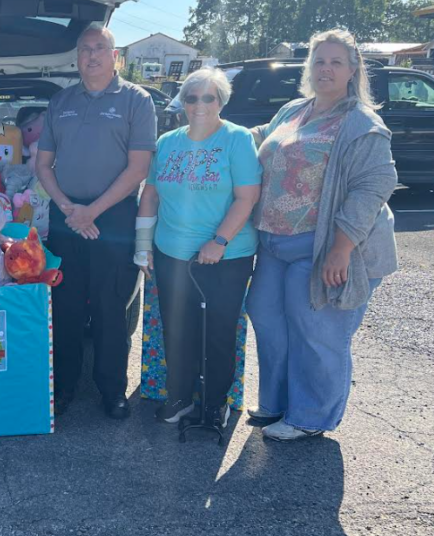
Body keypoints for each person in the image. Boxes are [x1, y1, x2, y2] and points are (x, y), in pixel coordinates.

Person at [246, 29, 398, 441]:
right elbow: (261, 137)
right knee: (266, 317)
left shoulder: (361, 123)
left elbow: (374, 186)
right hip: (274, 243)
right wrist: (211, 129)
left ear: (352, 70)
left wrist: (341, 249)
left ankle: (310, 417)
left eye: (335, 62)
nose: (325, 69)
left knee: (317, 331)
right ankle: (278, 402)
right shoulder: (296, 109)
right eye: (318, 61)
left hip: (324, 247)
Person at [36, 26, 157, 419]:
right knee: (64, 308)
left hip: (114, 217)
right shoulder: (61, 101)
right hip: (66, 215)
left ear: (115, 55)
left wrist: (94, 210)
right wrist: (70, 208)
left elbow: (139, 167)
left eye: (100, 49)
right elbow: (43, 165)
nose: (92, 56)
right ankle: (63, 387)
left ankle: (112, 391)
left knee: (110, 308)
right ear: (77, 58)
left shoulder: (137, 101)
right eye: (85, 50)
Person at [134, 68, 261, 429]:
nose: (200, 105)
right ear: (183, 102)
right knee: (177, 332)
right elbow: (152, 194)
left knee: (218, 333)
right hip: (172, 254)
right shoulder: (169, 141)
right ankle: (179, 397)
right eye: (192, 97)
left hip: (225, 258)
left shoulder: (237, 139)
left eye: (209, 97)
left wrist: (219, 240)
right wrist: (143, 247)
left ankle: (215, 403)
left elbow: (246, 196)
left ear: (221, 101)